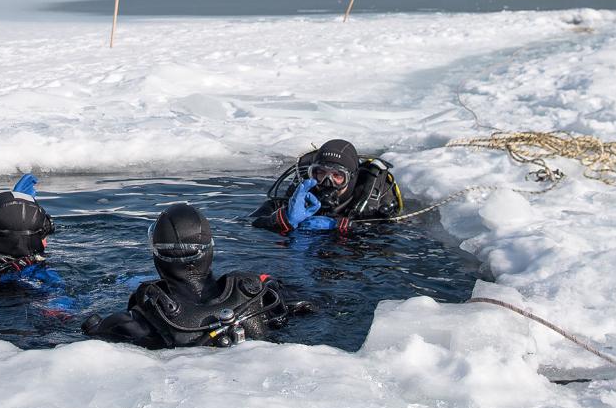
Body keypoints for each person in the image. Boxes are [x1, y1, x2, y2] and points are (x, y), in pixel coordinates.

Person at [81, 203, 307, 349]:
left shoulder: (134, 322)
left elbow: (89, 335)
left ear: (156, 254)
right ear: (210, 249)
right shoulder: (262, 294)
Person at [251, 139, 403, 234]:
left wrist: (342, 227)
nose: (327, 181)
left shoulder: (369, 208)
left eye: (337, 176)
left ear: (351, 177)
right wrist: (282, 220)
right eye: (320, 172)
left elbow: (385, 240)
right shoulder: (294, 200)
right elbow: (247, 226)